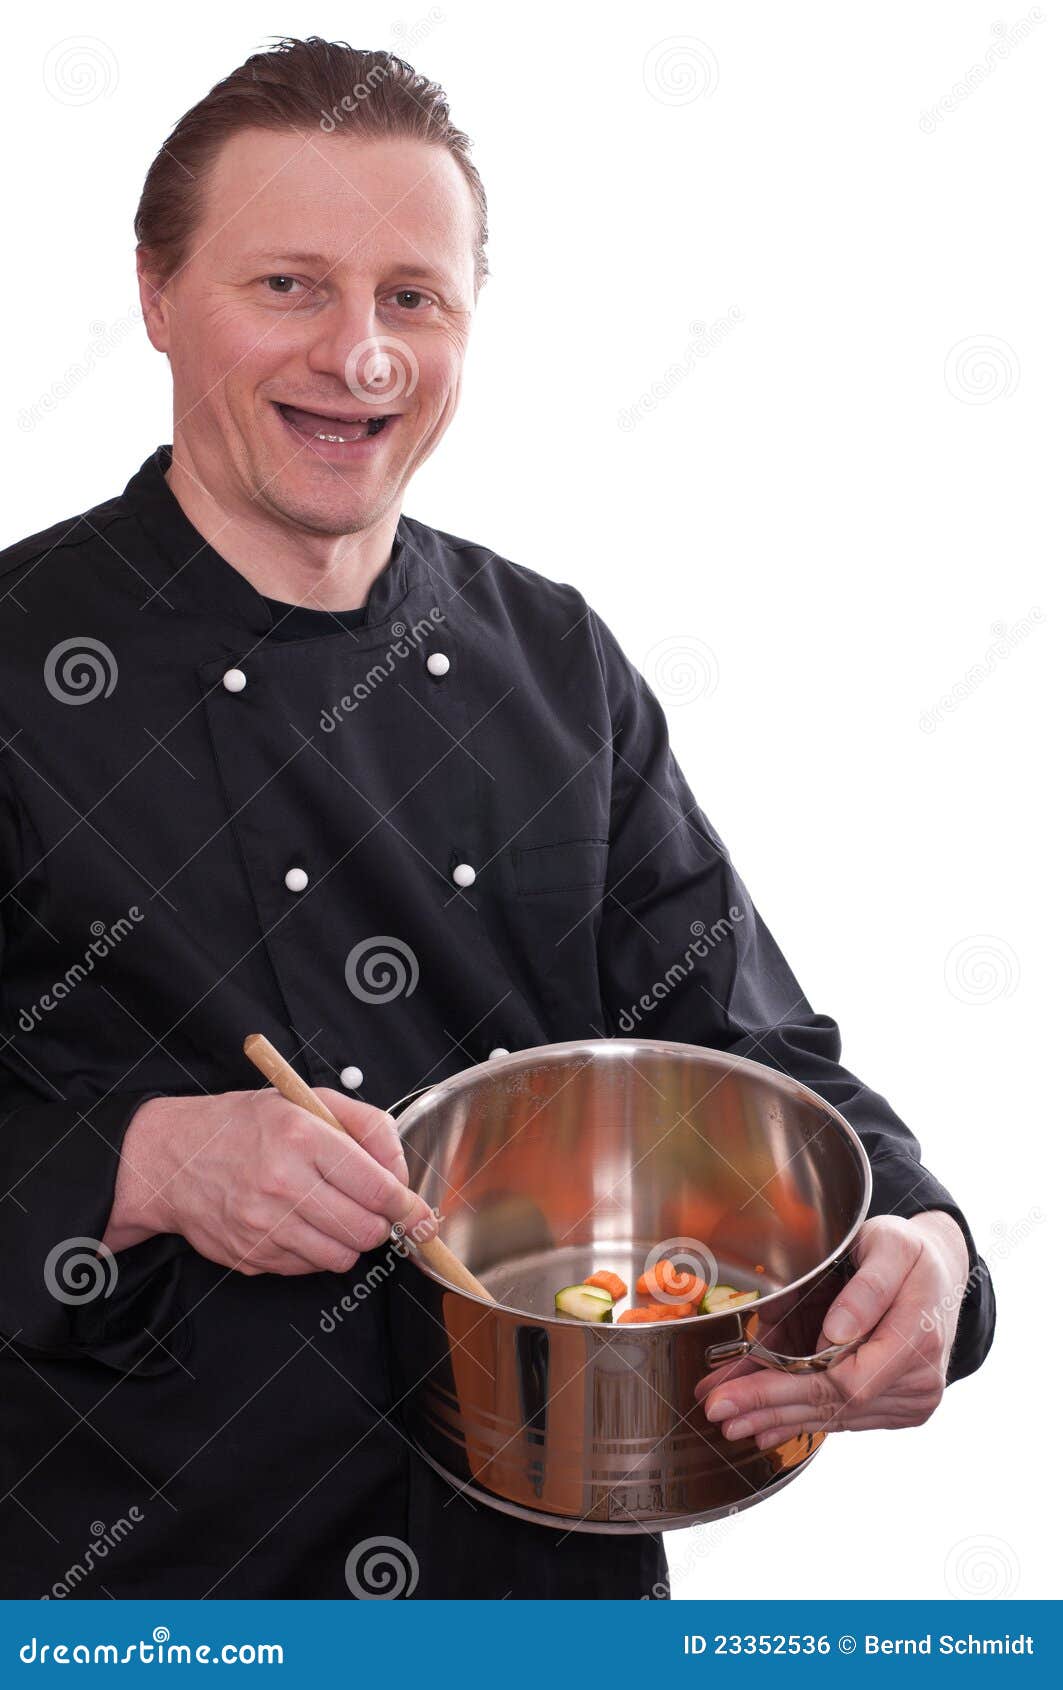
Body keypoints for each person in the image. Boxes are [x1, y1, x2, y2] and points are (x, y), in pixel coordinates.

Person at [0, 38, 994, 1601]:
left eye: (412, 297)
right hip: (142, 1588)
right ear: (153, 295)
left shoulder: (550, 659)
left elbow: (744, 1049)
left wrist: (926, 1244)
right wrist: (144, 1167)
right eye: (289, 287)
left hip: (544, 1586)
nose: (363, 357)